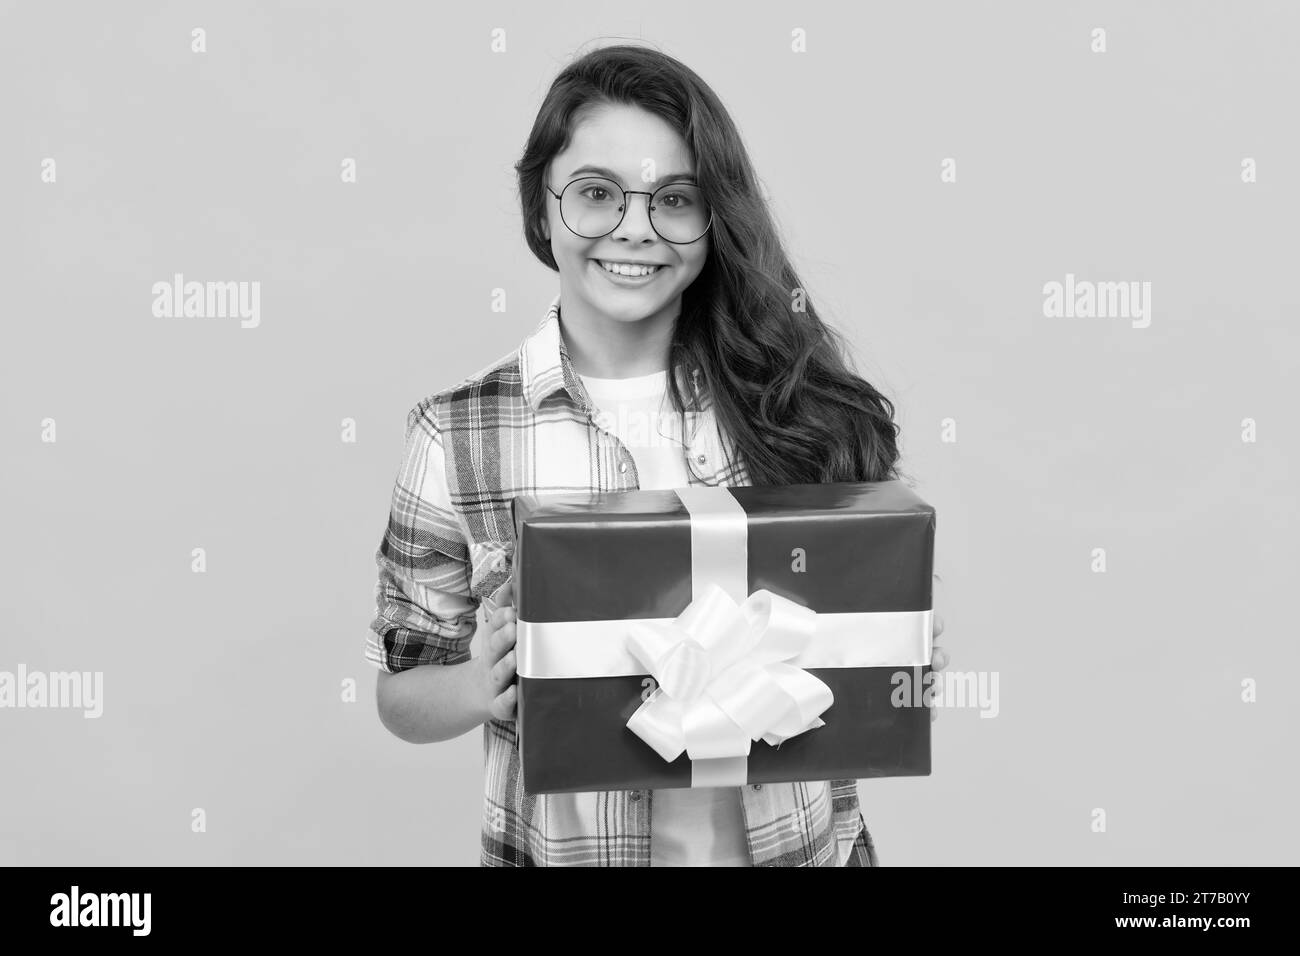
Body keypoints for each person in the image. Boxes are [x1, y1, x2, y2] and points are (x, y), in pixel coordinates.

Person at [365, 42, 946, 866]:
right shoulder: (455, 435)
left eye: (675, 199)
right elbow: (400, 692)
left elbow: (880, 660)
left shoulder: (790, 404)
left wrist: (896, 653)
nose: (635, 229)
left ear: (714, 222)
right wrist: (477, 681)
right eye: (597, 194)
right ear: (541, 207)